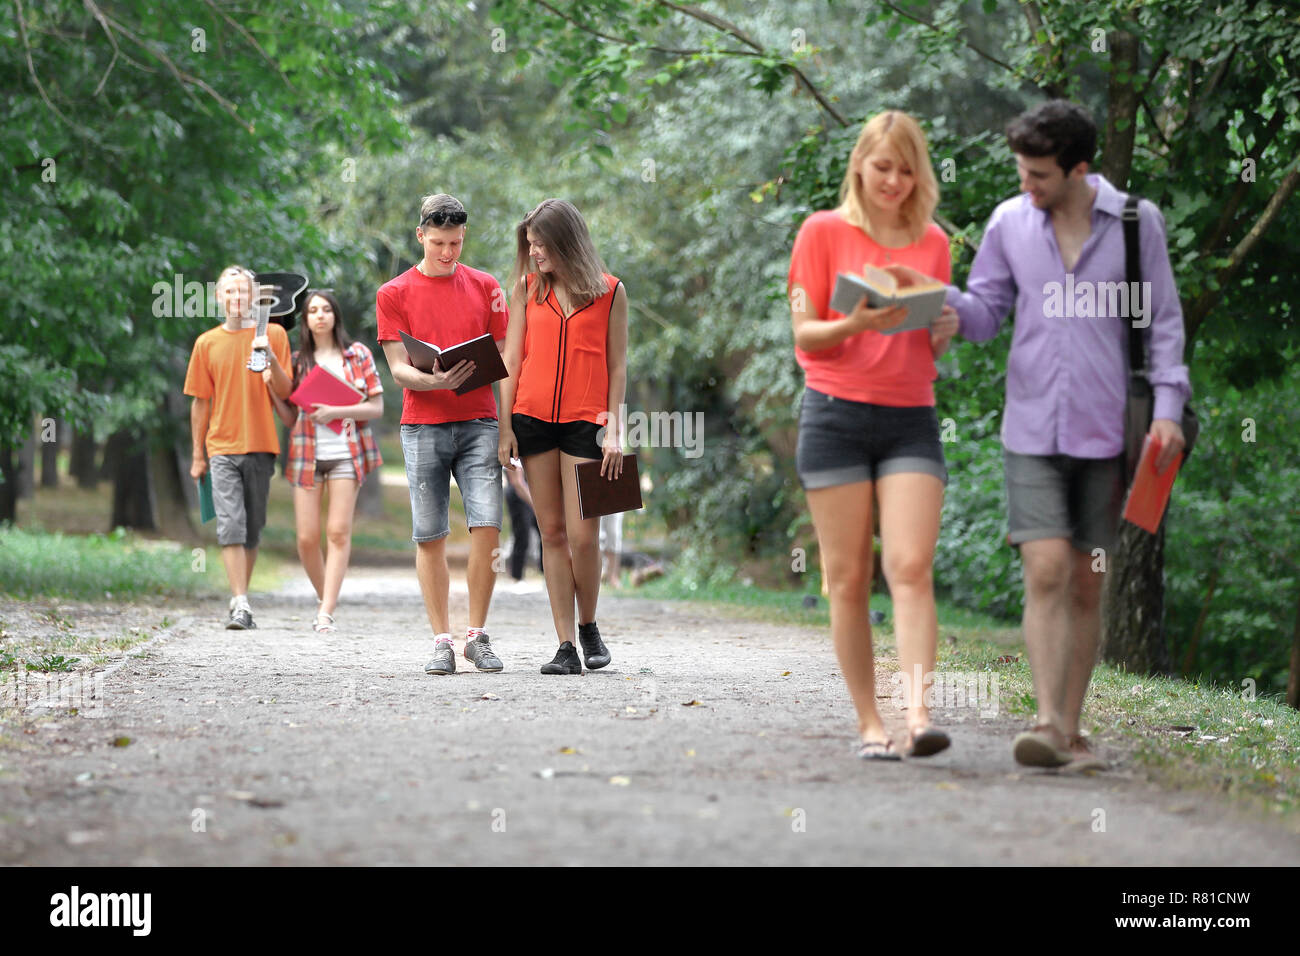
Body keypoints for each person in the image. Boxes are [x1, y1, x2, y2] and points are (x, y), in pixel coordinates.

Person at [890, 100, 1190, 771]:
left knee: (1087, 581)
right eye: (1022, 172)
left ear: (1079, 169)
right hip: (1030, 426)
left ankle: (1070, 731)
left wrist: (1169, 407)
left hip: (1111, 432)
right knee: (1047, 566)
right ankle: (1049, 723)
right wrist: (939, 301)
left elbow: (1165, 325)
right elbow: (988, 312)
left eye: (1040, 175)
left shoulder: (1139, 226)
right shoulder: (1008, 223)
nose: (1027, 185)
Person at [788, 111, 960, 760]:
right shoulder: (821, 232)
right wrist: (856, 323)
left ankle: (918, 717)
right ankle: (870, 723)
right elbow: (805, 333)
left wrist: (938, 329)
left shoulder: (934, 242)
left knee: (911, 568)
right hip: (833, 416)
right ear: (859, 163)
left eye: (907, 168)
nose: (894, 180)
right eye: (883, 165)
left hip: (910, 417)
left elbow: (930, 340)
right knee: (848, 577)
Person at [377, 194, 508, 676]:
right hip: (423, 423)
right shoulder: (393, 293)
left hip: (479, 420)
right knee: (430, 534)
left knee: (487, 525)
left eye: (454, 243)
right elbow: (397, 369)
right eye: (438, 244)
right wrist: (435, 380)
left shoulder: (487, 287)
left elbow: (503, 360)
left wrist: (507, 427)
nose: (447, 253)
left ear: (463, 237)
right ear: (420, 236)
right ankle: (441, 641)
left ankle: (477, 635)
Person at [497, 199, 628, 675]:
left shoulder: (611, 293)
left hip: (586, 422)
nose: (534, 253)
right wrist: (505, 425)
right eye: (529, 245)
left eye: (541, 245)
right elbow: (511, 360)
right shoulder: (526, 290)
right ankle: (565, 646)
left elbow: (617, 365)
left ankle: (590, 625)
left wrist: (615, 427)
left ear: (566, 242)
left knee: (583, 535)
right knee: (550, 533)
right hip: (532, 418)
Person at [268, 290, 384, 633]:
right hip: (307, 455)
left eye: (326, 309)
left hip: (346, 454)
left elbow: (375, 408)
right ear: (305, 320)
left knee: (337, 532)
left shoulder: (357, 355)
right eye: (313, 311)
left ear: (335, 316)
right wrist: (274, 392)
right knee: (306, 538)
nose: (320, 315)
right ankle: (326, 600)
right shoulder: (298, 360)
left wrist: (336, 411)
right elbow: (291, 418)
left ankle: (326, 612)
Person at [185, 265, 293, 630]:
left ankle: (242, 598)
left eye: (242, 292)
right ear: (219, 297)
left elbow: (287, 392)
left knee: (252, 527)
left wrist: (271, 360)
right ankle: (240, 602)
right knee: (230, 524)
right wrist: (198, 455)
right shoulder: (206, 343)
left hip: (262, 444)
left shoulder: (274, 334)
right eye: (229, 292)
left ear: (254, 297)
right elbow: (200, 402)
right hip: (221, 447)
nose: (236, 298)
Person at [504, 466, 542, 581]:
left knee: (545, 533)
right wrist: (536, 505)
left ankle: (546, 572)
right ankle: (517, 577)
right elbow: (517, 482)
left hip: (531, 494)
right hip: (519, 495)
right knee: (522, 538)